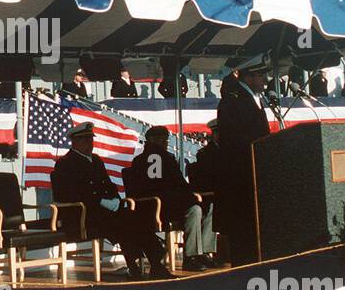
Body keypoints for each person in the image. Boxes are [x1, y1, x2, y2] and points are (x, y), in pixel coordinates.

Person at [52, 121, 169, 279]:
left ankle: (154, 263)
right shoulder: (65, 164)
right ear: (75, 142)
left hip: (103, 211)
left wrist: (114, 199)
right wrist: (100, 201)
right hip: (82, 214)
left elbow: (108, 184)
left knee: (138, 218)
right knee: (123, 222)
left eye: (91, 140)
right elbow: (70, 194)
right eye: (85, 140)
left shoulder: (96, 160)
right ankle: (138, 265)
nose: (90, 144)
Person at [124, 126, 213, 271]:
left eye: (166, 138)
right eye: (162, 138)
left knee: (198, 208)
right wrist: (191, 197)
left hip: (148, 207)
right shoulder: (167, 158)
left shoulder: (138, 160)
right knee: (196, 209)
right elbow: (179, 184)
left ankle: (198, 253)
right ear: (152, 139)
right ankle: (191, 256)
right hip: (165, 206)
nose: (165, 142)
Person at [213, 57, 272, 265]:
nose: (265, 79)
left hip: (255, 174)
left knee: (253, 230)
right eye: (261, 75)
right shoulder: (232, 100)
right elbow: (232, 138)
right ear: (248, 76)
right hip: (240, 176)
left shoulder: (256, 98)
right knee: (242, 231)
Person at [187, 119, 225, 266]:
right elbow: (208, 179)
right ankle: (206, 252)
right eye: (218, 133)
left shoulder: (229, 150)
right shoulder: (205, 154)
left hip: (224, 193)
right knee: (213, 209)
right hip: (210, 195)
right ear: (214, 134)